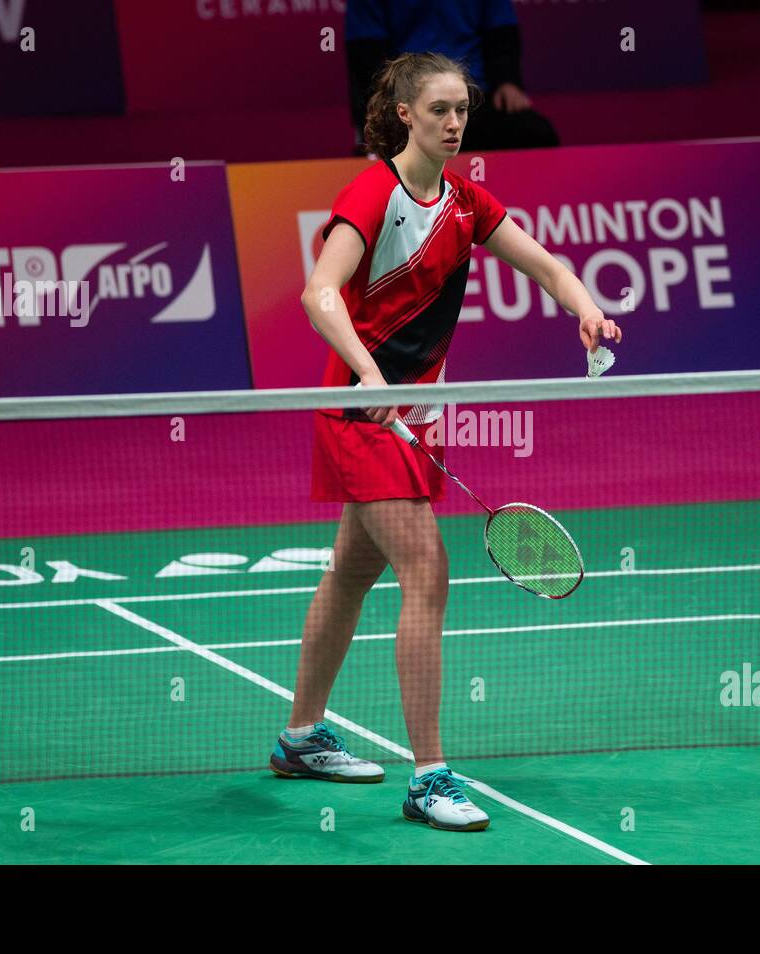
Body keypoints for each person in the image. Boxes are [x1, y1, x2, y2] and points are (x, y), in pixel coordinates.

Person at [269, 52, 621, 832]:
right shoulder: (372, 194)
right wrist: (369, 378)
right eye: (439, 110)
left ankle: (300, 735)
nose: (456, 122)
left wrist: (584, 307)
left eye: (462, 108)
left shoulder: (465, 201)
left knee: (353, 569)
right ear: (404, 114)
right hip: (362, 414)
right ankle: (430, 776)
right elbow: (319, 292)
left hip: (413, 417)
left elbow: (545, 262)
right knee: (427, 570)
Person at [345, 0, 559, 154]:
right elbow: (365, 51)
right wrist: (389, 102)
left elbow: (501, 31)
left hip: (475, 99)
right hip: (408, 100)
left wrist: (508, 81)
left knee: (536, 133)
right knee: (384, 145)